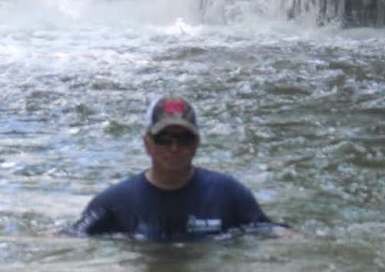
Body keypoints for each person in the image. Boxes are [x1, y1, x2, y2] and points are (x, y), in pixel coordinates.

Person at [72, 96, 284, 241]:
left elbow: (271, 232)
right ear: (147, 143)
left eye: (184, 139)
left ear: (197, 143)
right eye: (164, 138)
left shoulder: (229, 194)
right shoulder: (113, 203)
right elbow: (69, 240)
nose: (174, 148)